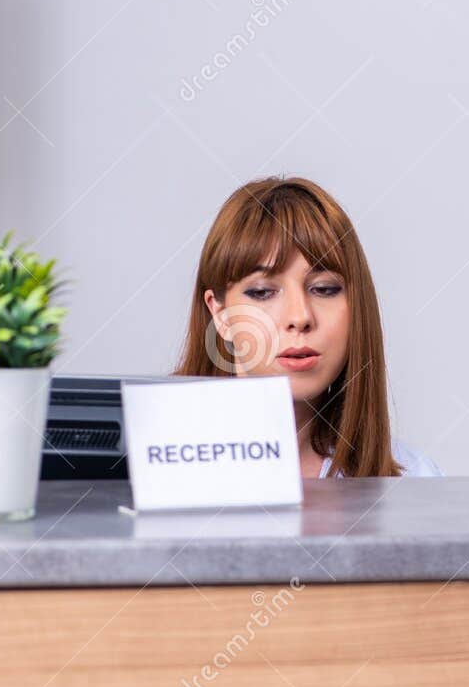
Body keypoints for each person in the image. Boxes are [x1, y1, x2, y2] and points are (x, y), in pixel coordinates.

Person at [175, 176, 440, 478]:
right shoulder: (145, 472)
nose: (300, 317)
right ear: (220, 314)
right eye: (262, 292)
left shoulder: (417, 479)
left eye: (324, 289)